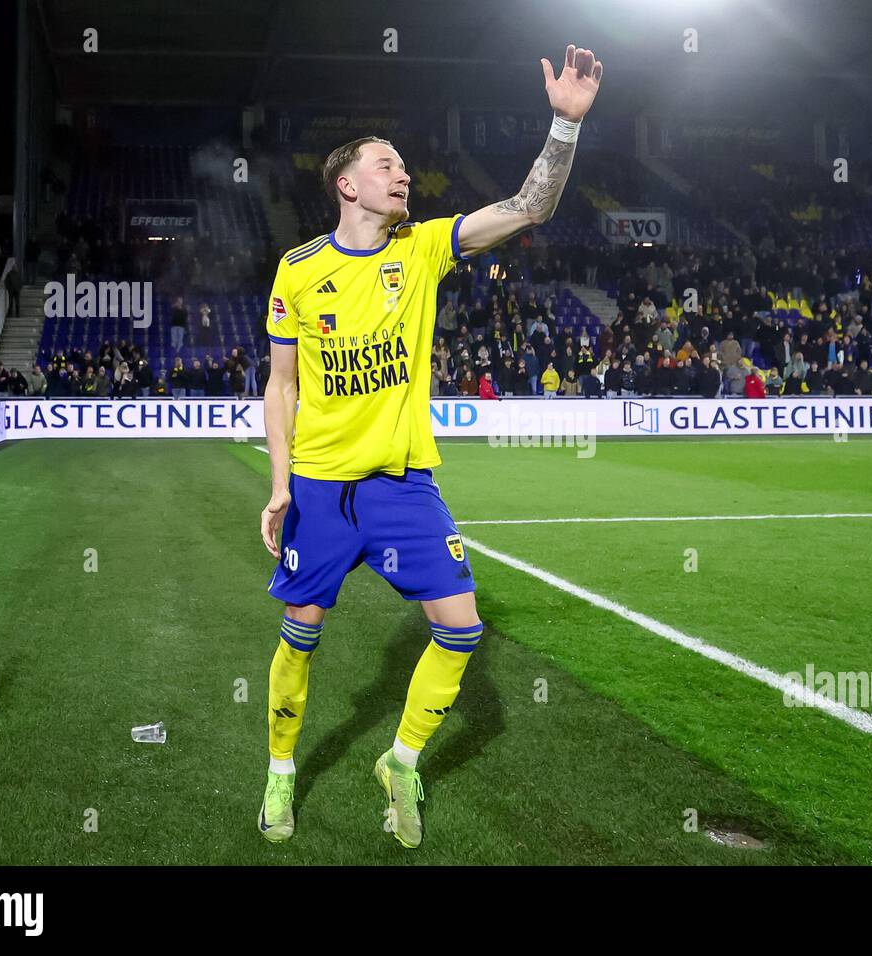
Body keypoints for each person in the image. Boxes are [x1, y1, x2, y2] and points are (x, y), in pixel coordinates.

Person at [256, 44, 603, 849]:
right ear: (347, 183)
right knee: (299, 633)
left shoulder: (423, 248)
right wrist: (279, 485)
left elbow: (528, 206)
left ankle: (401, 759)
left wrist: (563, 125)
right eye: (386, 165)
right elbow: (280, 387)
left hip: (405, 484)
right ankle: (280, 770)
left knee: (461, 628)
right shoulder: (298, 269)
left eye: (405, 165)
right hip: (319, 487)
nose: (402, 174)